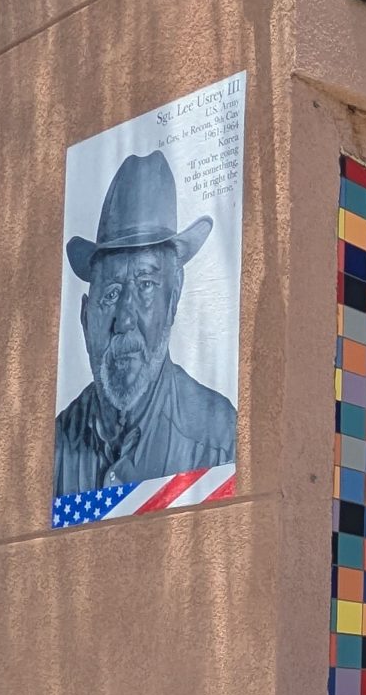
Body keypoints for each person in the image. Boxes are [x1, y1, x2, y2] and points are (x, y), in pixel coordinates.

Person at [54, 150, 236, 494]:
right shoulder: (56, 447)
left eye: (146, 285)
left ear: (173, 298)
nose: (124, 319)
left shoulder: (220, 437)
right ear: (84, 318)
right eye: (110, 294)